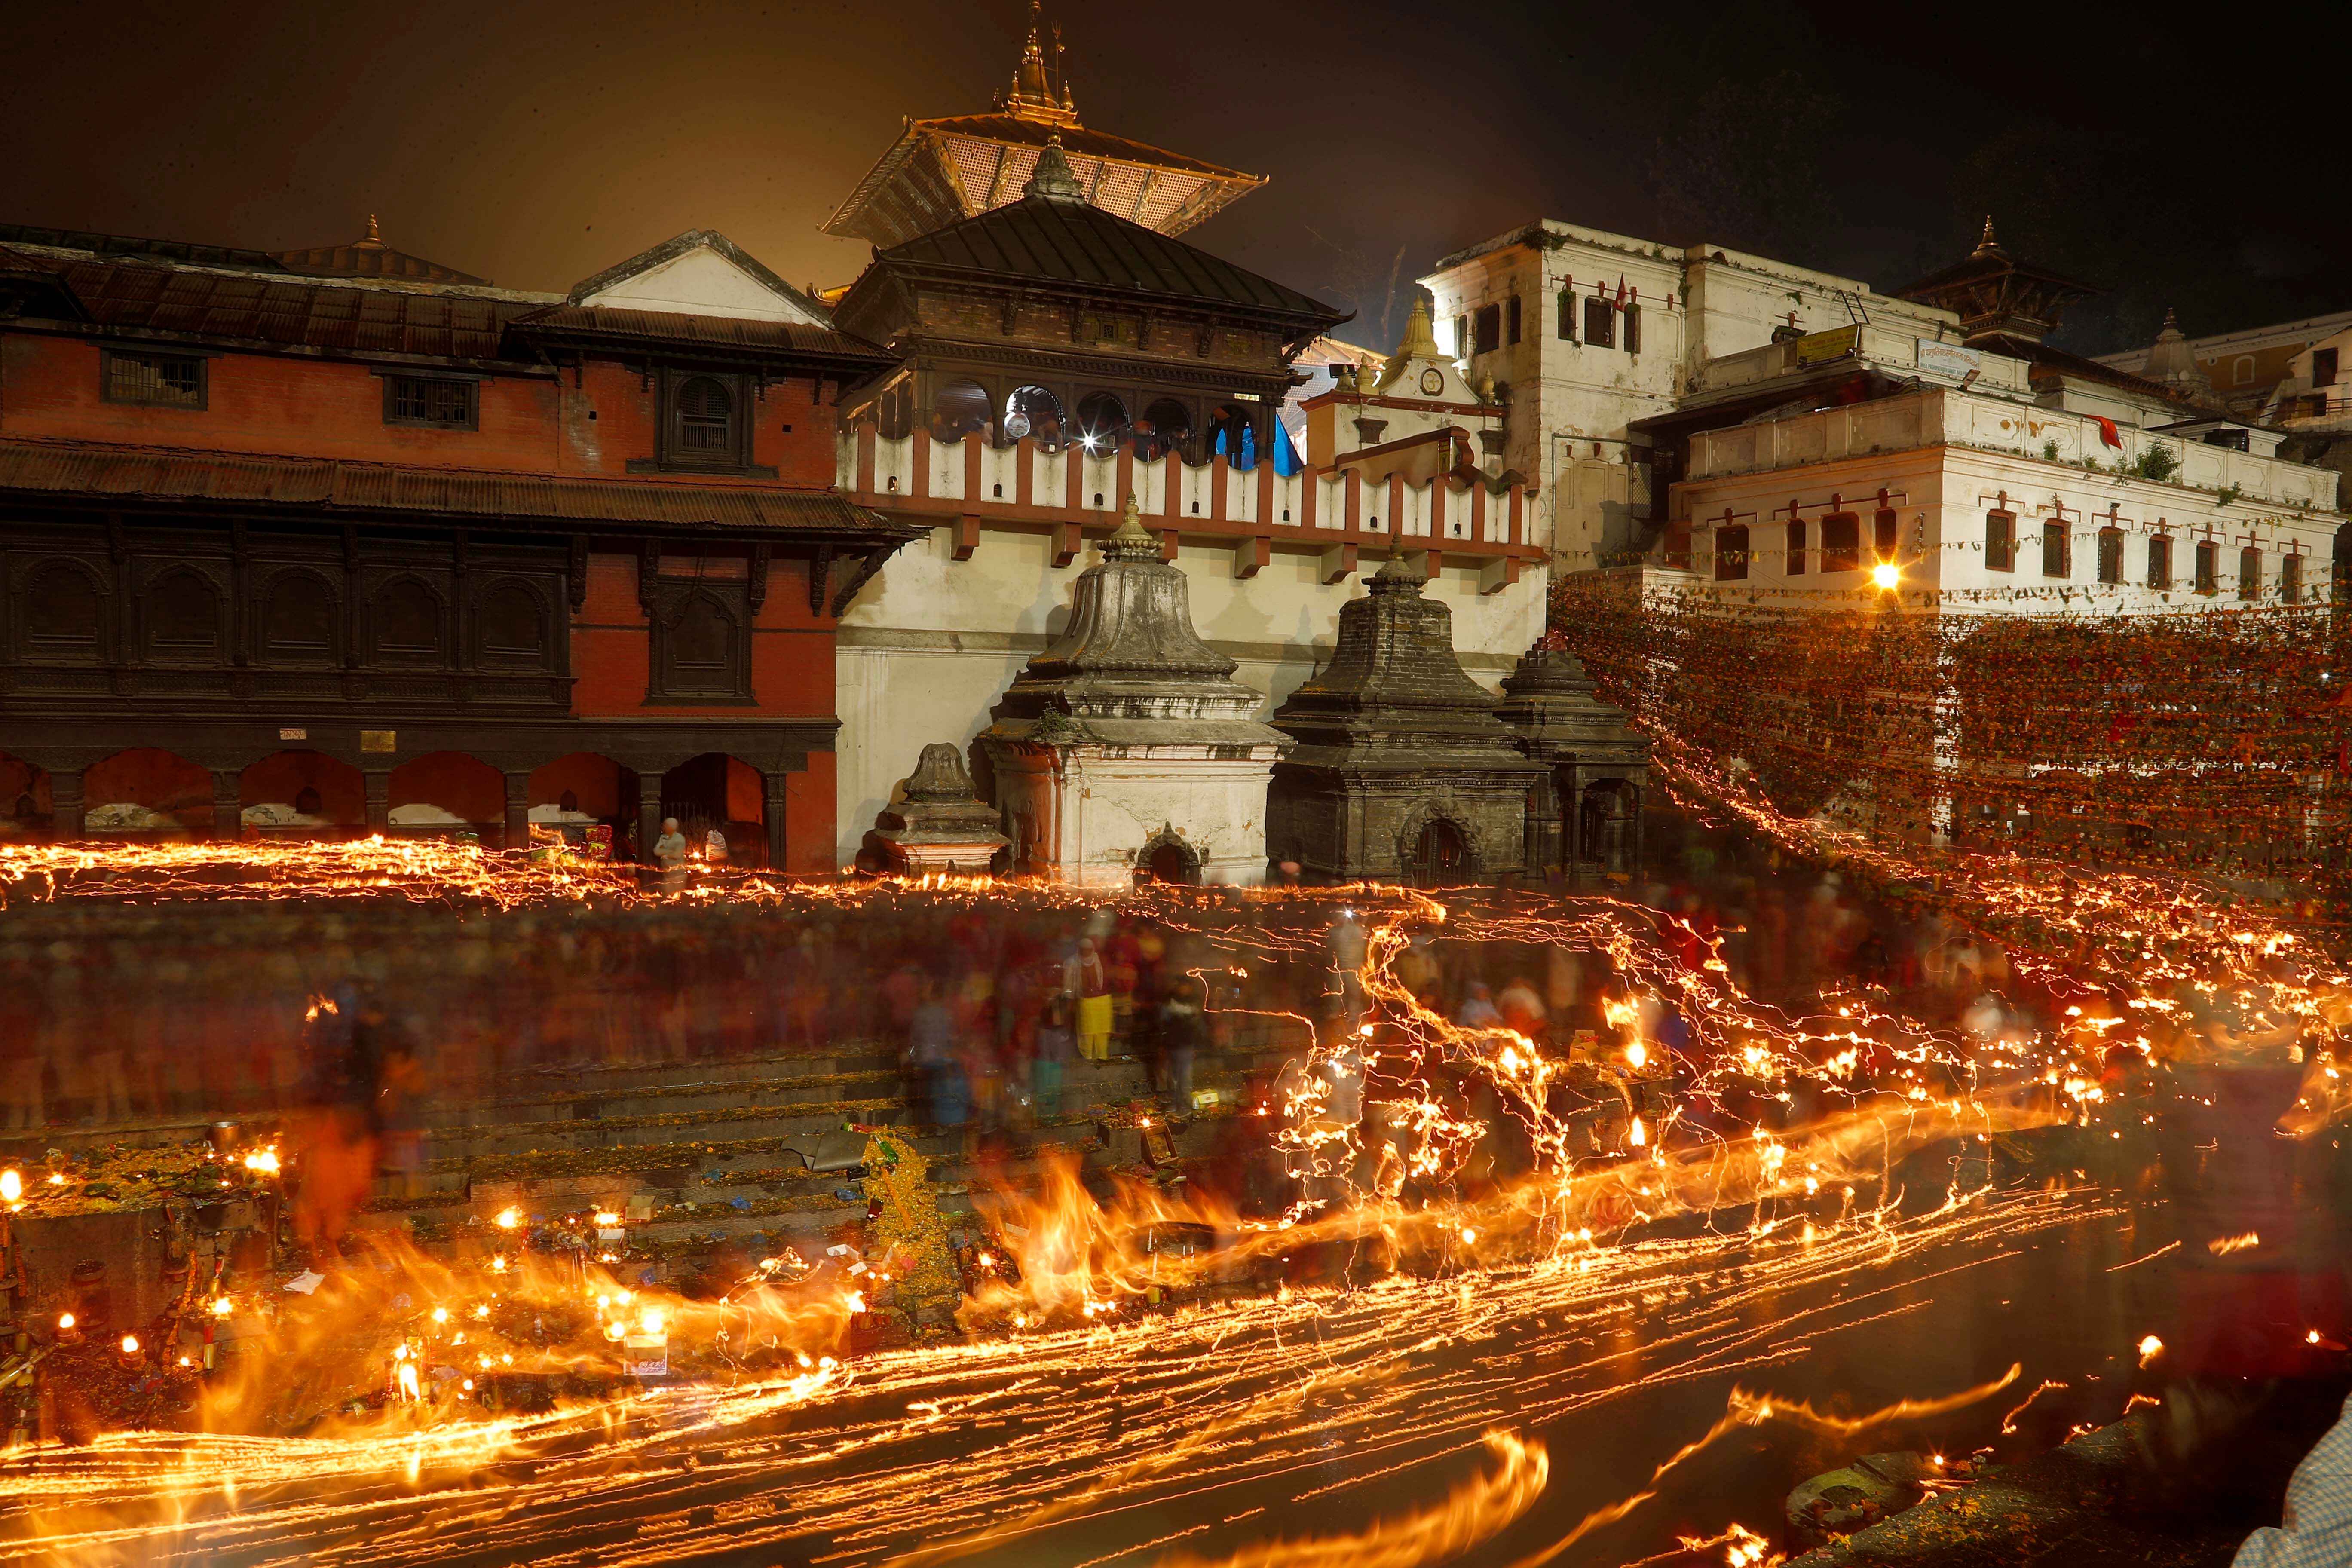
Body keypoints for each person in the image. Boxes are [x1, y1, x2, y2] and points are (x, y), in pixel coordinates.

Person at [1158, 977, 1207, 1119]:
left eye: (1185, 986)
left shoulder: (1194, 1005)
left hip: (1186, 1046)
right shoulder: (1170, 1003)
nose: (1182, 988)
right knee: (1173, 1077)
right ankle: (1174, 1104)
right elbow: (1163, 1023)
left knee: (1184, 1078)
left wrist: (1197, 1045)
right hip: (1173, 1044)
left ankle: (1184, 1107)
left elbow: (1198, 1027)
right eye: (1180, 985)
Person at [652, 817, 689, 886]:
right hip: (667, 875)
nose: (663, 827)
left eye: (665, 825)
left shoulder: (679, 839)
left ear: (670, 827)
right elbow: (656, 851)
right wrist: (670, 852)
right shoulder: (663, 837)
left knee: (676, 895)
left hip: (678, 875)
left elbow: (676, 855)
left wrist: (663, 852)